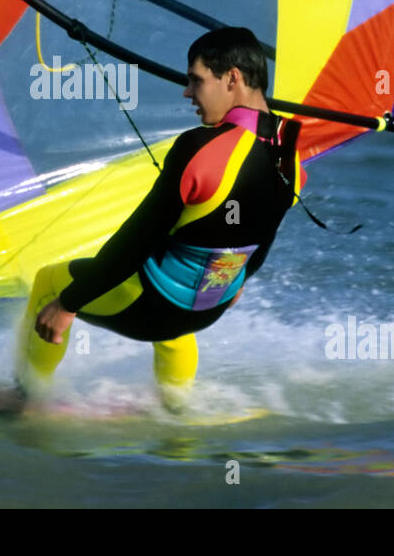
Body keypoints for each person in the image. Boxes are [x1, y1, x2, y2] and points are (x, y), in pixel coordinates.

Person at [16, 26, 304, 409]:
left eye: (196, 80)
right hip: (209, 307)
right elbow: (261, 237)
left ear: (232, 78)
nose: (187, 93)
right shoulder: (290, 157)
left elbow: (136, 240)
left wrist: (68, 304)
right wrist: (237, 283)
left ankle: (25, 397)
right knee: (177, 286)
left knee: (48, 282)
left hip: (151, 308)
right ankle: (175, 406)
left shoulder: (201, 148)